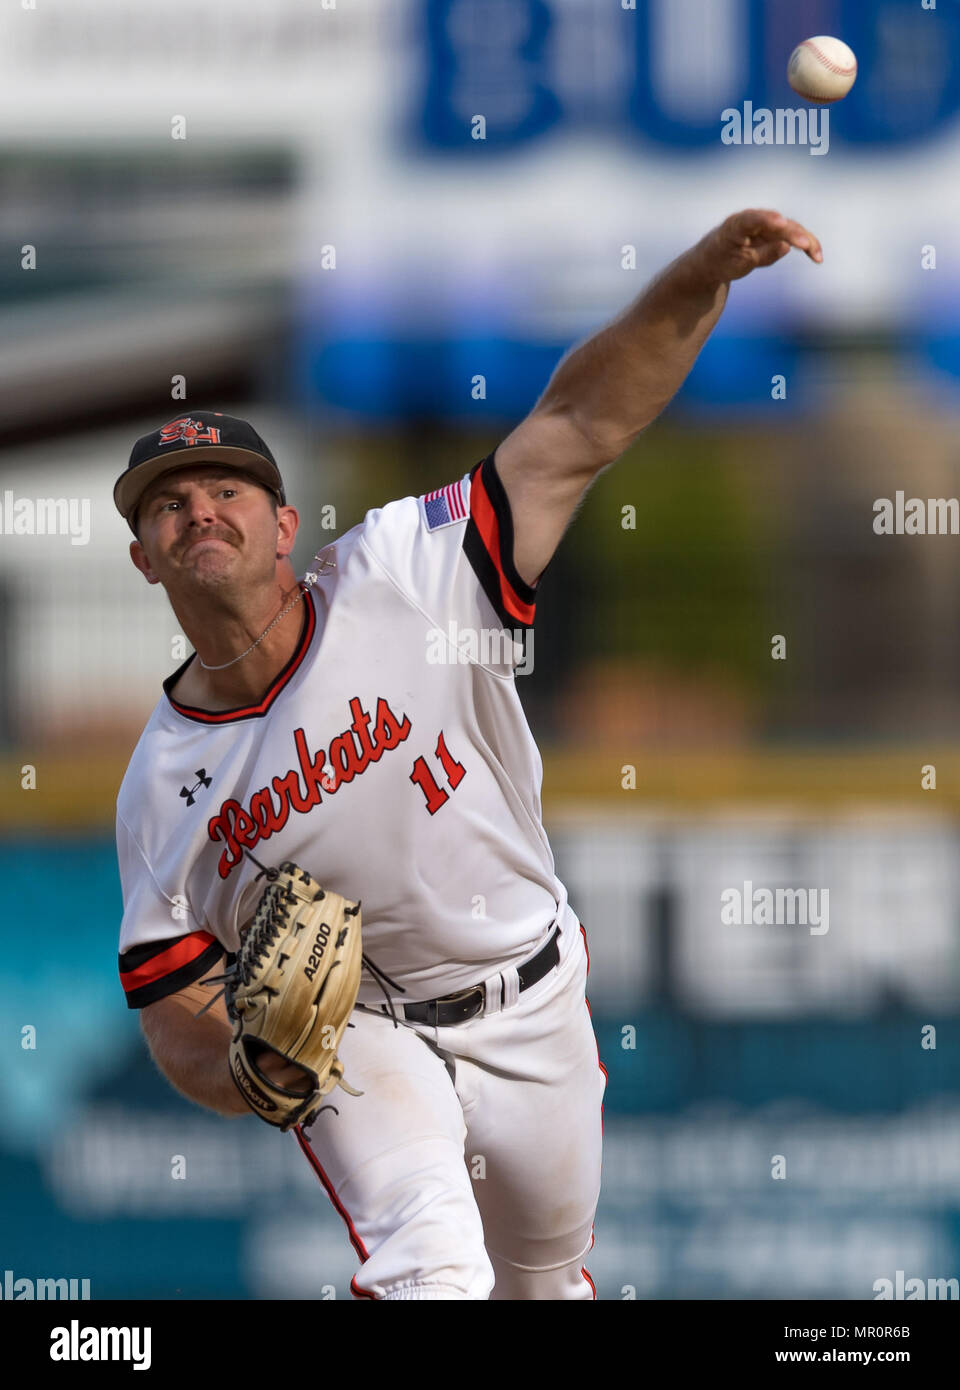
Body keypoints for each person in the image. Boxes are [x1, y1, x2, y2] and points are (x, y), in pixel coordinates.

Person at [114, 209, 821, 1301]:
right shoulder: (163, 785)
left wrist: (695, 277)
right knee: (432, 1265)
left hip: (530, 990)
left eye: (225, 489)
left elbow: (580, 422)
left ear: (284, 522)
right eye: (168, 503)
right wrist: (248, 1068)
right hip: (356, 1028)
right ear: (143, 557)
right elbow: (173, 1005)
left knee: (540, 1285)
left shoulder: (409, 572)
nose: (199, 508)